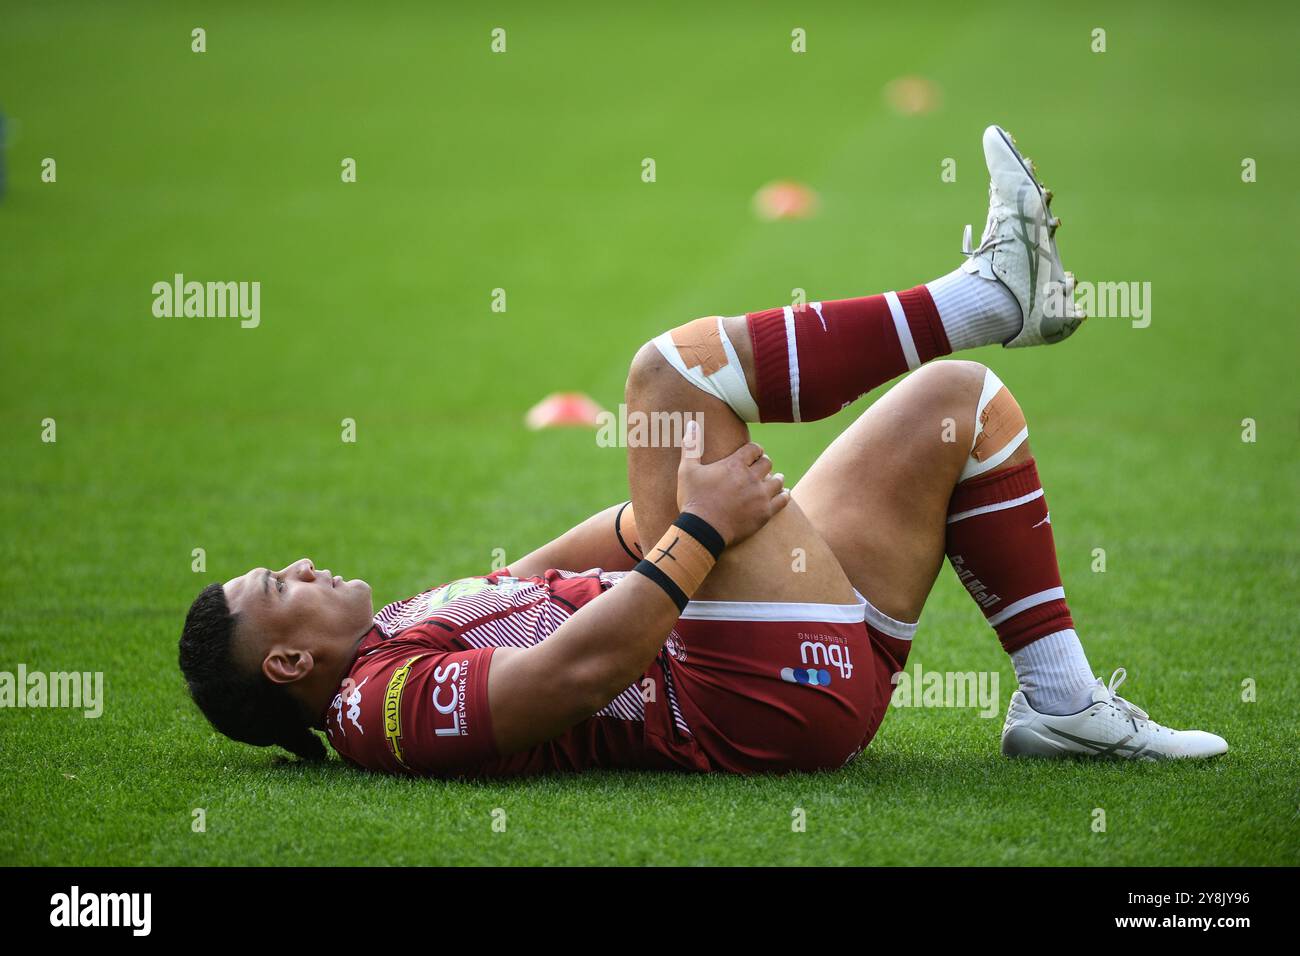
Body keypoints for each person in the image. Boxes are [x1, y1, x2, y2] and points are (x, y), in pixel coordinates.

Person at [178, 125, 1227, 775]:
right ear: (285, 660)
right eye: (282, 581)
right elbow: (574, 673)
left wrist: (653, 525)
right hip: (749, 696)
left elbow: (546, 573)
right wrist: (695, 532)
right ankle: (990, 293)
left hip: (769, 652)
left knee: (958, 402)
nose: (303, 562)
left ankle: (1063, 704)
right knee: (667, 378)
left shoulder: (386, 639)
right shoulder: (374, 708)